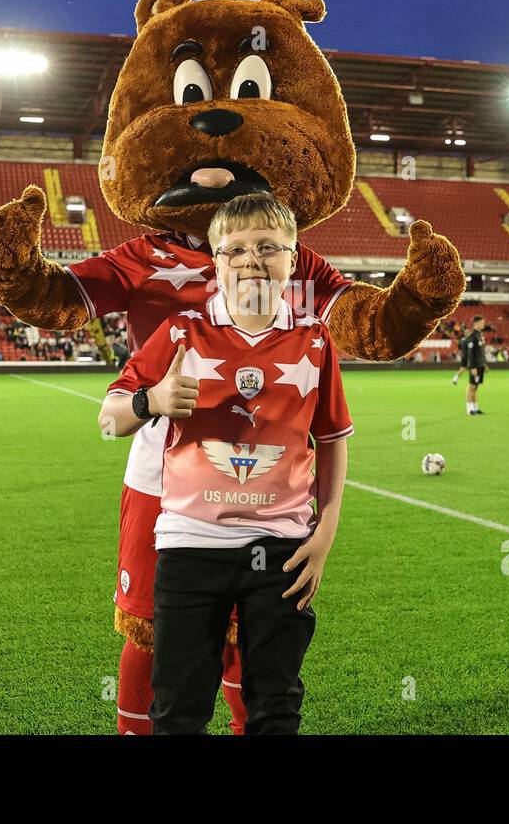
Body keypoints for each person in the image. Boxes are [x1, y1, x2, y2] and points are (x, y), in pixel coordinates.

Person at [99, 193, 351, 734]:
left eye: (268, 247)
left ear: (293, 257)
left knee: (276, 705)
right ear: (214, 262)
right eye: (234, 249)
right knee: (179, 707)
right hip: (191, 547)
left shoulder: (315, 340)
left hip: (281, 550)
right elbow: (109, 418)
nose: (250, 260)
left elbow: (331, 439)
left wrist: (326, 532)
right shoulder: (180, 332)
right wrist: (153, 401)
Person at [452, 316, 487, 414]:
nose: (483, 324)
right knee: (471, 386)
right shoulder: (472, 336)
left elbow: (480, 352)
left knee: (476, 387)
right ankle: (469, 409)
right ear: (476, 323)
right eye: (482, 322)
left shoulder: (479, 335)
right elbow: (471, 354)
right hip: (475, 366)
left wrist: (484, 364)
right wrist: (472, 367)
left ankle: (475, 407)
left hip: (480, 365)